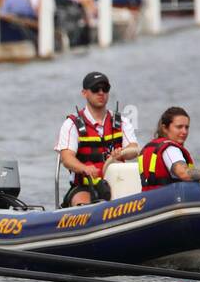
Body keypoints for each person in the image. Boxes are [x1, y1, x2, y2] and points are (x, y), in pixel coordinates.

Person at [54, 71, 139, 208]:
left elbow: (134, 149)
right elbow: (67, 158)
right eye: (95, 89)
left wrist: (122, 152)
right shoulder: (72, 125)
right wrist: (84, 168)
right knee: (81, 202)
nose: (101, 93)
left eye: (105, 89)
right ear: (85, 93)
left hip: (118, 182)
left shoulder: (122, 121)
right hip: (86, 186)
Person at [140, 107, 200, 191]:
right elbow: (184, 173)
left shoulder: (151, 147)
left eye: (186, 127)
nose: (184, 131)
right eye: (179, 127)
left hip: (148, 199)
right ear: (165, 128)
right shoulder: (170, 149)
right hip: (166, 200)